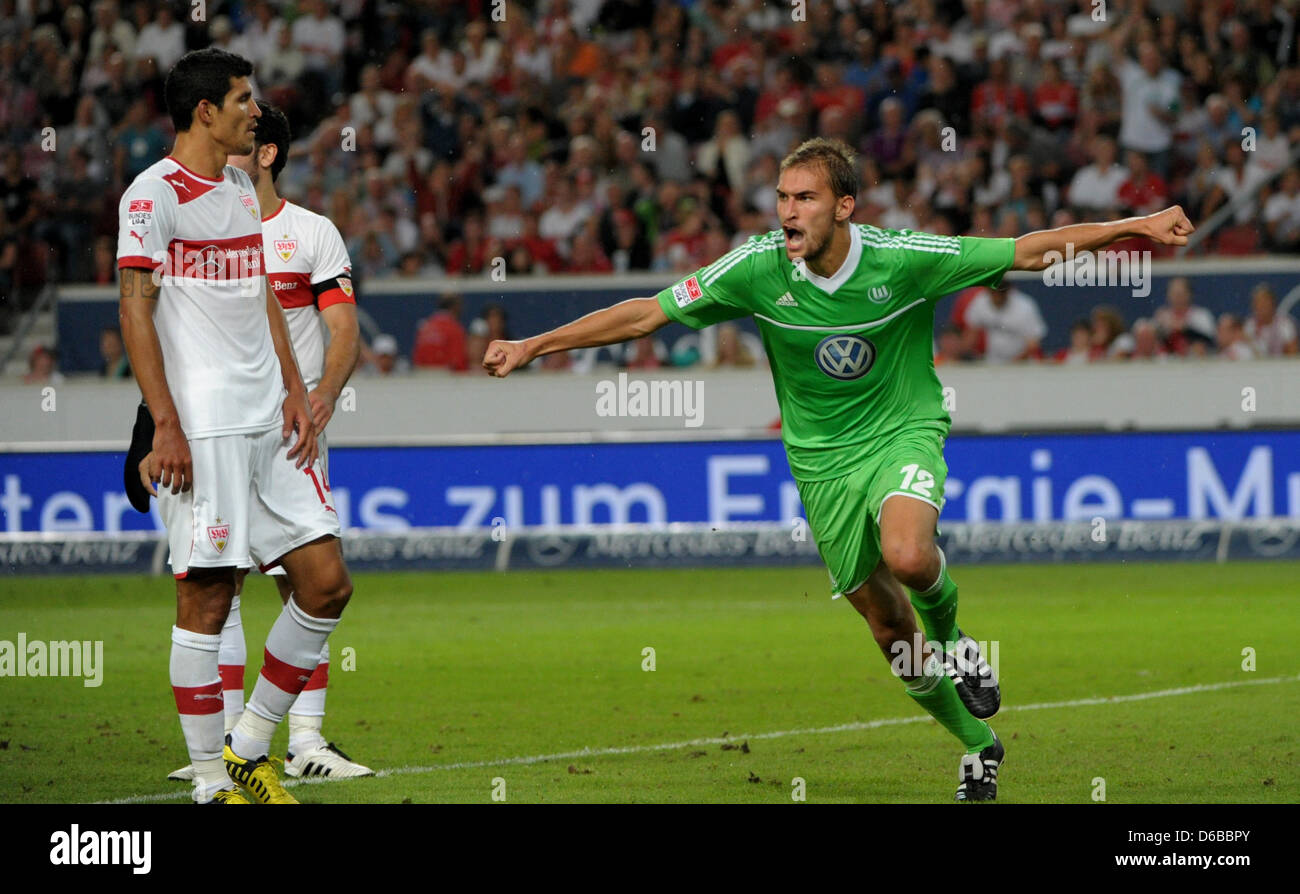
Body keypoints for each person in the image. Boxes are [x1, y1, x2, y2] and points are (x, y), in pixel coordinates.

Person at [484, 137, 1196, 802]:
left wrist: (1135, 226)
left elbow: (1027, 252)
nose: (788, 212)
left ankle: (954, 641)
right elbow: (647, 315)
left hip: (901, 431)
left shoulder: (904, 258)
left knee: (909, 555)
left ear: (845, 206)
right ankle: (979, 745)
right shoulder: (756, 268)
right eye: (782, 197)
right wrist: (532, 345)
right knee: (888, 630)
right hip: (821, 463)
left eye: (806, 198)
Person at [116, 48, 352, 805]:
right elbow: (135, 312)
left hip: (270, 420)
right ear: (205, 111)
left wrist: (296, 389)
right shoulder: (152, 196)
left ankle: (249, 744)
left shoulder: (242, 189)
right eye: (245, 99)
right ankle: (211, 783)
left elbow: (262, 298)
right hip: (207, 423)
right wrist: (164, 425)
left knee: (325, 584)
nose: (257, 111)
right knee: (210, 599)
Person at [961, 281, 1047, 363]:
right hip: (993, 362)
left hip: (1022, 364)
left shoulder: (1025, 306)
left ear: (1008, 291)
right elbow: (971, 334)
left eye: (1001, 292)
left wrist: (1014, 363)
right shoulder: (980, 302)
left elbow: (1033, 344)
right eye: (994, 292)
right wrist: (960, 355)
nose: (997, 296)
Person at [1243, 283, 1299, 356]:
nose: (1262, 306)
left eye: (1265, 302)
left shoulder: (1285, 324)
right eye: (1258, 303)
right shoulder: (1249, 325)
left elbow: (1293, 353)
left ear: (1273, 303)